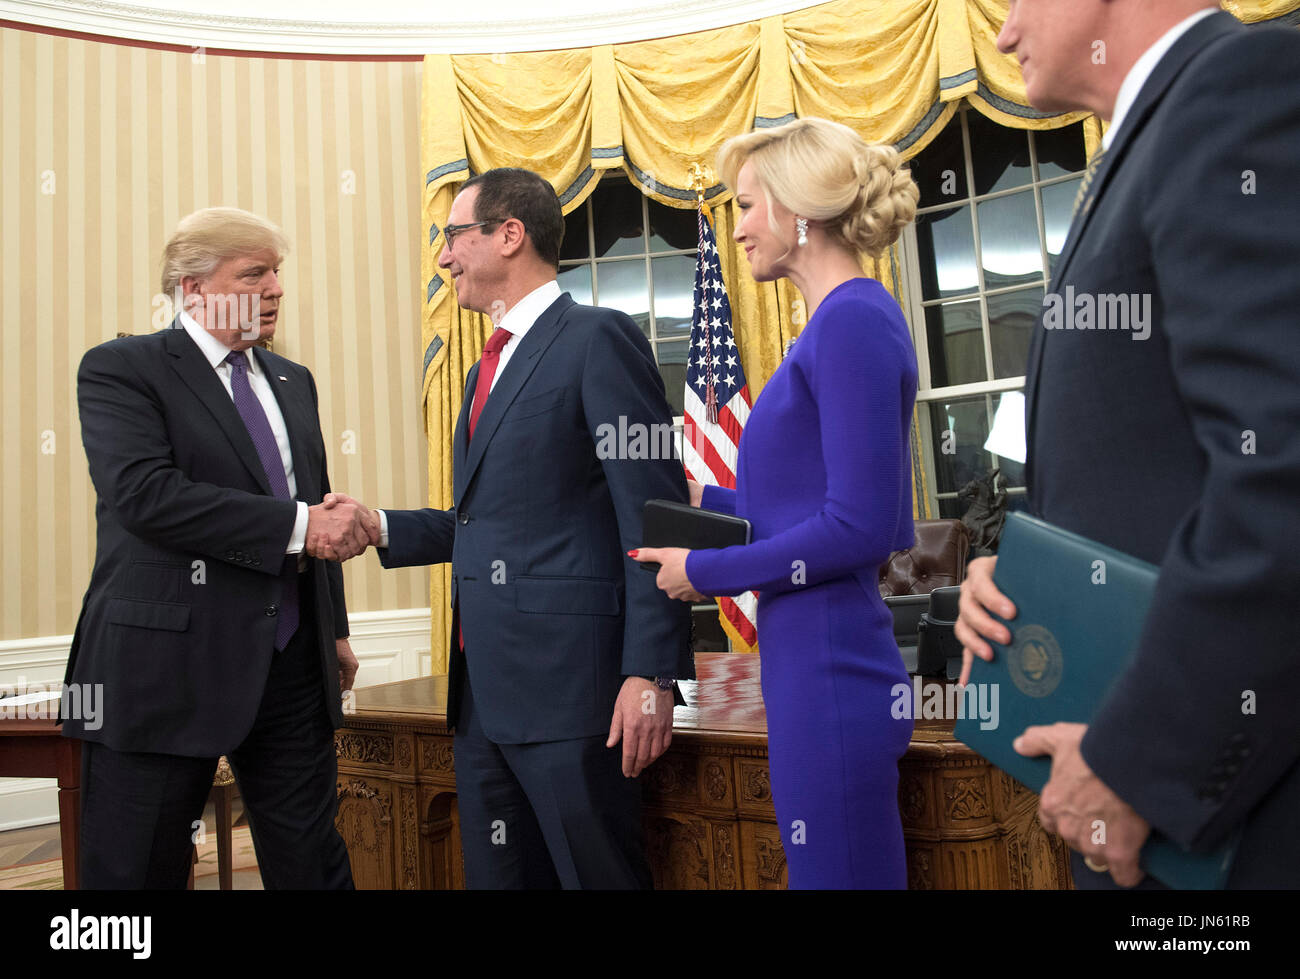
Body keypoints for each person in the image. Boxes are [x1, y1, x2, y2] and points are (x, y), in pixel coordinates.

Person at [956, 1, 1300, 889]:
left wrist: (1142, 759)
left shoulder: (1238, 88)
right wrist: (1019, 586)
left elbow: (1282, 473)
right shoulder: (1150, 139)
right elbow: (1144, 464)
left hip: (1231, 820)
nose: (1002, 33)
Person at [337, 167, 692, 889]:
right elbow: (487, 523)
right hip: (483, 703)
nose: (443, 258)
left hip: (574, 696)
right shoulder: (482, 372)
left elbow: (653, 515)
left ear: (509, 235)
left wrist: (651, 671)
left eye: (453, 237)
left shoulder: (600, 339)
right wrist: (378, 525)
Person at [632, 117, 920, 888]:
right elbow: (809, 507)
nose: (739, 230)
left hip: (833, 670)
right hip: (808, 665)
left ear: (800, 211)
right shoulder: (835, 323)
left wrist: (709, 567)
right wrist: (707, 498)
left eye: (748, 206)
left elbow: (861, 526)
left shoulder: (853, 319)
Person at [64, 206, 371, 889]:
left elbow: (315, 510)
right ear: (192, 286)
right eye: (254, 272)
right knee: (134, 873)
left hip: (292, 665)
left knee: (314, 864)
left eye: (278, 272)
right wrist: (298, 526)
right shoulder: (123, 370)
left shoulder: (294, 381)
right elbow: (147, 495)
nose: (276, 288)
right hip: (164, 667)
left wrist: (337, 632)